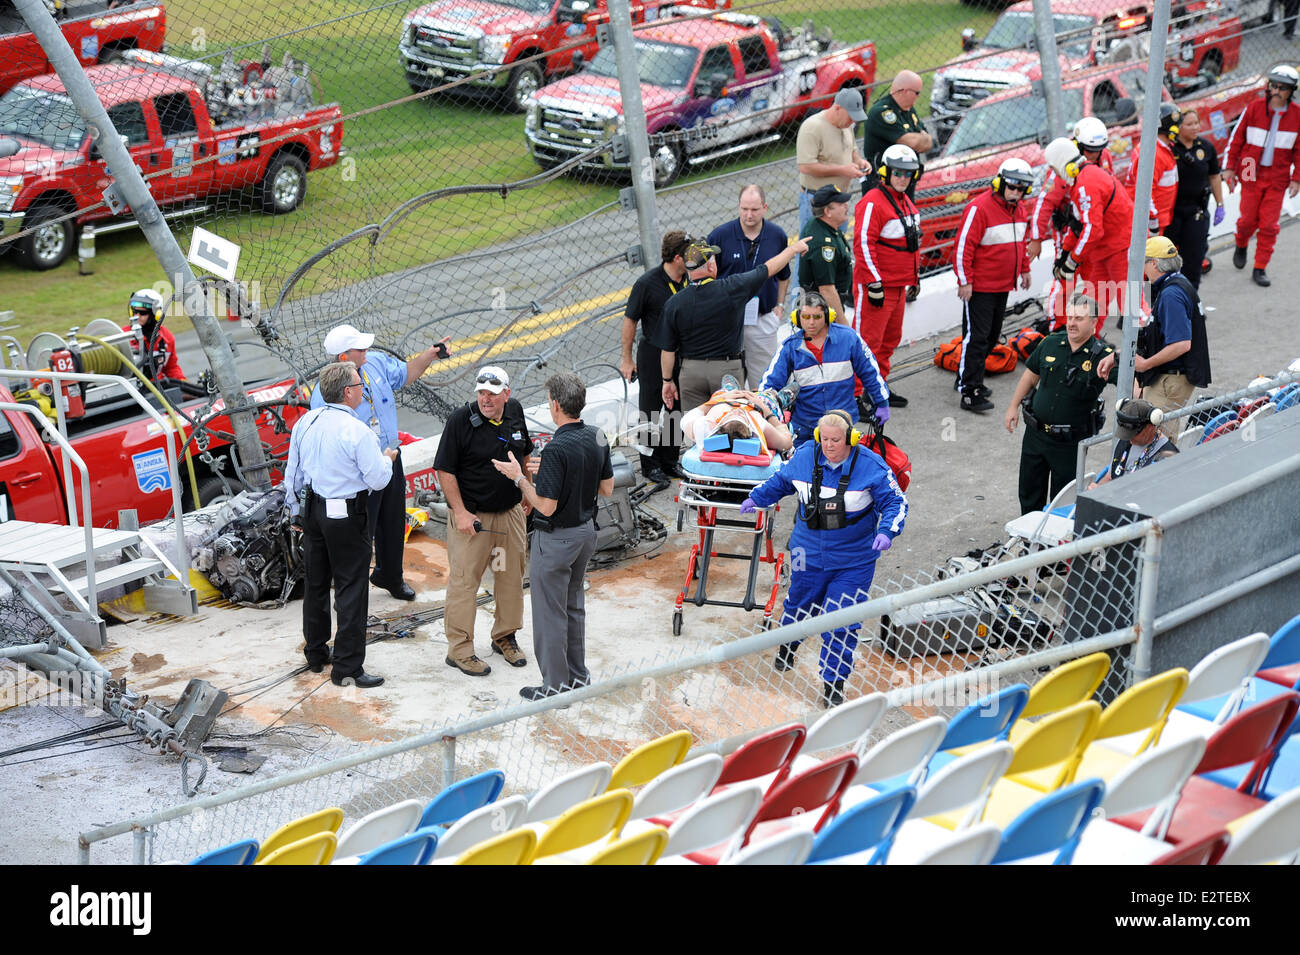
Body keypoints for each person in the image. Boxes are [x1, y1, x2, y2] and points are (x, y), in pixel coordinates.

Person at [740, 410, 907, 708]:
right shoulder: (805, 456)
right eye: (825, 439)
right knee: (798, 604)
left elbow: (895, 502)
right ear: (818, 437)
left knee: (842, 618)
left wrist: (887, 531)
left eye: (836, 440)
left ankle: (834, 683)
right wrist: (757, 498)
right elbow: (780, 482)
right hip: (807, 552)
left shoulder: (871, 466)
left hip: (853, 560)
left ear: (851, 439)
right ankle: (787, 647)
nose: (829, 446)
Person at [492, 373, 614, 701]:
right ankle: (577, 677)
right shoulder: (597, 435)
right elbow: (606, 487)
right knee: (574, 607)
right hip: (586, 533)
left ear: (556, 405)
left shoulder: (557, 447)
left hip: (557, 540)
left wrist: (519, 477)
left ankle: (556, 688)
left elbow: (545, 507)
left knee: (549, 615)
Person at [312, 323, 452, 600]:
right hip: (359, 469)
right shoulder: (323, 395)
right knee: (361, 531)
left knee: (392, 521)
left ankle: (390, 575)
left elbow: (405, 374)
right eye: (360, 349)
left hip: (390, 456)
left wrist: (431, 355)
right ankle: (351, 593)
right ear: (343, 358)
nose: (367, 351)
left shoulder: (374, 363)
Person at [284, 361, 397, 689]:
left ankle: (316, 652)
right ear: (348, 392)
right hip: (346, 514)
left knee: (316, 583)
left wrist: (296, 514)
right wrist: (387, 460)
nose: (362, 390)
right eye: (360, 386)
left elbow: (293, 475)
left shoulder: (306, 422)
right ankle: (347, 666)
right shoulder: (357, 430)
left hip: (313, 510)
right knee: (351, 588)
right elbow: (376, 480)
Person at [432, 366, 533, 678]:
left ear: (507, 393)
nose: (486, 398)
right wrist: (460, 513)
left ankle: (505, 636)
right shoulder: (460, 421)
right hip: (473, 521)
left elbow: (523, 453)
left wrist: (526, 486)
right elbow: (445, 471)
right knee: (465, 584)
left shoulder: (515, 412)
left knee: (509, 577)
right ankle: (460, 650)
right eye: (481, 392)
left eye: (492, 392)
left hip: (510, 514)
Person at [658, 236, 808, 415]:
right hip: (726, 369)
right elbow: (767, 269)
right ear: (711, 267)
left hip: (691, 372)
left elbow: (667, 350)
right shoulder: (732, 288)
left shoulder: (674, 303)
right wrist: (793, 249)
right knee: (731, 424)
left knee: (695, 426)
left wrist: (667, 381)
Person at [1005, 293, 1114, 515]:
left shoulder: (1103, 356)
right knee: (1028, 493)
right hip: (1035, 436)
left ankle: (1054, 545)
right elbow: (1031, 375)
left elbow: (1129, 382)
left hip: (1069, 444)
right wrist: (1012, 407)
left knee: (1062, 499)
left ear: (1094, 322)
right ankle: (1029, 544)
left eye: (1079, 318)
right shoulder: (1051, 343)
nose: (1072, 323)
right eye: (1070, 316)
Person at [1097, 237, 1211, 438]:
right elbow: (1154, 336)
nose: (1143, 269)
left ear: (1155, 264)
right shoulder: (1176, 284)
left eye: (1144, 263)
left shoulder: (1171, 294)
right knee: (1154, 438)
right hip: (1170, 376)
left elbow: (1181, 344)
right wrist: (1118, 355)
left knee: (1153, 440)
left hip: (1171, 379)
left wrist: (1147, 364)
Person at [954, 158, 1034, 414]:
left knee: (990, 337)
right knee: (975, 338)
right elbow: (963, 247)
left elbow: (1021, 242)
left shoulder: (1020, 210)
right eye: (1012, 186)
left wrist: (1024, 269)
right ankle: (969, 390)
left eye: (1022, 189)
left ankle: (967, 376)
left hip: (1002, 286)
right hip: (979, 288)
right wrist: (965, 281)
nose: (1016, 192)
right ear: (1000, 183)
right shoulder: (979, 208)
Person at [759, 290, 889, 446]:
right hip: (805, 427)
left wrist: (882, 402)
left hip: (842, 424)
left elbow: (870, 372)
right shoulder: (789, 347)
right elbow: (770, 383)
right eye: (806, 317)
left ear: (828, 316)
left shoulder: (849, 339)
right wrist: (762, 407)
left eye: (817, 317)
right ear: (797, 318)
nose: (811, 323)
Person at [1043, 131, 1134, 335]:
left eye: (1054, 168)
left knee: (1130, 301)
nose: (1055, 174)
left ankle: (1146, 352)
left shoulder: (1086, 182)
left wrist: (1072, 260)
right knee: (1093, 300)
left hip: (1120, 247)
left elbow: (1093, 229)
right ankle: (1087, 344)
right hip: (1106, 249)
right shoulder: (1082, 179)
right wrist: (1063, 255)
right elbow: (1078, 225)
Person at [1028, 118, 1115, 328]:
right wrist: (1037, 238)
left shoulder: (1104, 158)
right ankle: (1056, 327)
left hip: (1094, 231)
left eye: (1098, 150)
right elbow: (1045, 202)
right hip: (1068, 232)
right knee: (1064, 278)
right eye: (1089, 150)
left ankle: (1088, 328)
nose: (1093, 155)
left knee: (1097, 281)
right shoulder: (1063, 166)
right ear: (1077, 146)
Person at [853, 143, 921, 407]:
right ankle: (856, 397)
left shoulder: (904, 202)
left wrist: (915, 279)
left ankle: (876, 388)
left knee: (889, 340)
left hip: (898, 285)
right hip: (878, 287)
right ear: (886, 171)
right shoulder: (872, 202)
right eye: (898, 172)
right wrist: (874, 282)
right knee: (867, 343)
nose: (903, 178)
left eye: (908, 173)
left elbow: (911, 244)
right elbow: (863, 243)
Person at [621, 230, 689, 487]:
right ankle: (650, 465)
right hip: (653, 353)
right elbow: (630, 321)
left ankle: (669, 460)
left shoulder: (688, 278)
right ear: (678, 257)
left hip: (680, 354)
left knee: (676, 409)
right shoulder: (647, 283)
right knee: (649, 411)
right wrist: (627, 359)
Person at [708, 186, 792, 389]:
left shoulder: (776, 235)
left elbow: (784, 275)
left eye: (754, 210)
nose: (748, 215)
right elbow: (707, 278)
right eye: (744, 209)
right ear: (738, 207)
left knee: (764, 383)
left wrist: (779, 305)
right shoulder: (719, 237)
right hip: (728, 323)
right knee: (729, 387)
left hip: (762, 320)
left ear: (764, 208)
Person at [1224, 65, 1300, 288]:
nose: (1276, 90)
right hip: (1249, 169)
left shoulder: (1297, 116)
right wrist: (1229, 167)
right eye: (1273, 85)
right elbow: (1236, 139)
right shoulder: (1254, 108)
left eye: (1282, 88)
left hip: (1277, 175)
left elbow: (1299, 151)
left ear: (1291, 90)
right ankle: (1241, 243)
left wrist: (1296, 178)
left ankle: (1260, 267)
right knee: (1247, 219)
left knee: (1268, 224)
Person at [795, 86, 872, 257]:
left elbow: (852, 151)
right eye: (850, 116)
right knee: (810, 251)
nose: (853, 121)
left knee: (837, 251)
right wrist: (843, 170)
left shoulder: (846, 126)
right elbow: (806, 166)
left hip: (840, 200)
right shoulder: (812, 127)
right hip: (816, 201)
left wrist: (860, 162)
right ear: (837, 108)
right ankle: (801, 285)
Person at [1167, 107, 1225, 289]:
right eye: (1189, 124)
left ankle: (1190, 302)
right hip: (1172, 214)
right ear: (1178, 127)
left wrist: (1220, 204)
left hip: (1196, 212)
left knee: (1193, 262)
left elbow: (1214, 176)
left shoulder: (1206, 148)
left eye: (1196, 123)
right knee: (1164, 262)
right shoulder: (1169, 149)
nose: (1195, 127)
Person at [679, 373, 794, 454]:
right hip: (757, 403)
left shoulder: (705, 426)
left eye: (732, 415)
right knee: (768, 399)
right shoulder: (759, 425)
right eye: (741, 416)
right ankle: (778, 399)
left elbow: (686, 419)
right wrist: (765, 410)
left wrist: (718, 400)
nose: (737, 410)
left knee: (721, 392)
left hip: (726, 398)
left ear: (719, 426)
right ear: (749, 427)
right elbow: (786, 443)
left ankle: (728, 389)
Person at [1087, 398, 1178, 489]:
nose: (1129, 439)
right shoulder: (1126, 440)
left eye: (1132, 433)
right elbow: (1110, 477)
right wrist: (1098, 489)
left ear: (1150, 427)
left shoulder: (1167, 458)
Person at [861, 71, 933, 181]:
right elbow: (910, 142)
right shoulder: (881, 112)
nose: (919, 97)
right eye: (917, 93)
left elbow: (929, 143)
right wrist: (922, 138)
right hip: (883, 182)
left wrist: (922, 139)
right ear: (905, 91)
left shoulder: (908, 110)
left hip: (905, 179)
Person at [799, 184, 855, 321]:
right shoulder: (823, 245)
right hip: (822, 313)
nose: (846, 206)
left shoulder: (823, 225)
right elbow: (827, 290)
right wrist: (843, 324)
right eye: (841, 204)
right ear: (827, 212)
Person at [123, 289, 185, 381]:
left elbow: (171, 368)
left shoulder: (167, 338)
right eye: (135, 312)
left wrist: (184, 383)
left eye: (143, 313)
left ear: (156, 314)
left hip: (158, 388)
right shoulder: (123, 336)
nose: (137, 316)